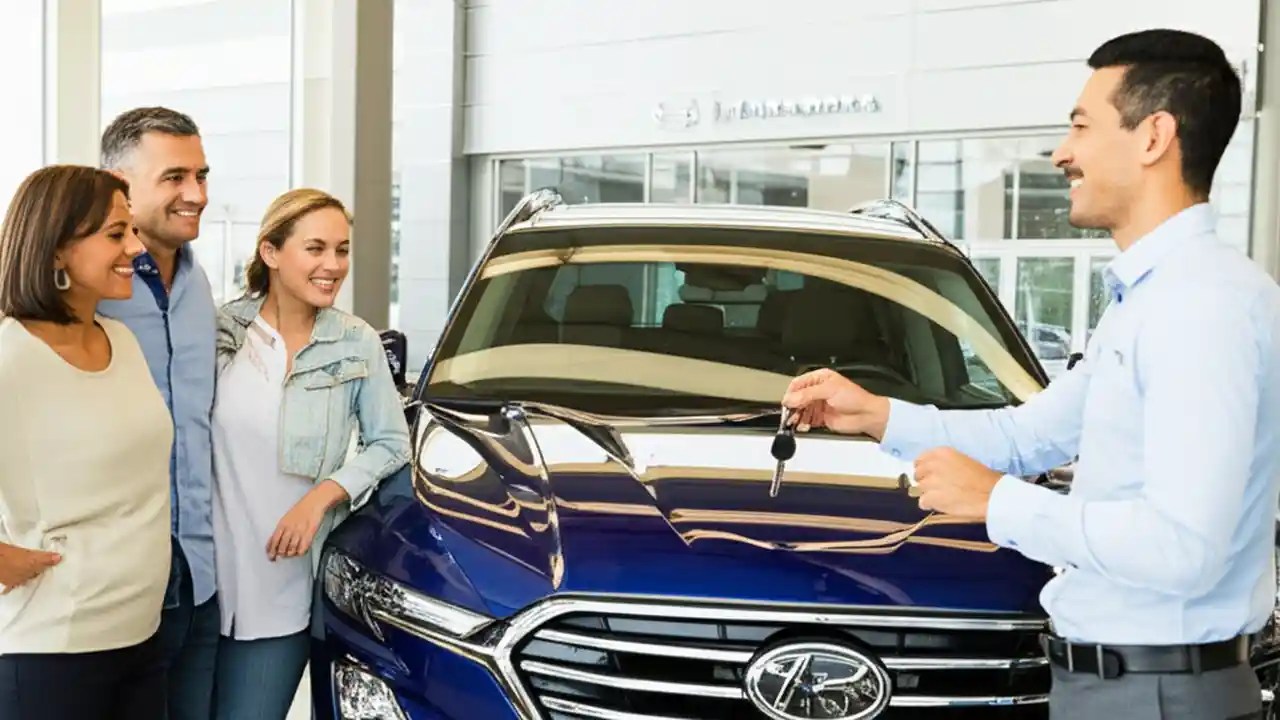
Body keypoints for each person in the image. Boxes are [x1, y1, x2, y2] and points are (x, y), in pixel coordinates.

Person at [782, 29, 1280, 719]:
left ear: (1153, 136)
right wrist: (878, 415)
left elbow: (1183, 548)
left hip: (1159, 695)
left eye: (1081, 125)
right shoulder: (1152, 301)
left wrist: (998, 502)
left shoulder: (1202, 308)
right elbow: (1031, 436)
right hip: (1117, 687)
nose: (1062, 152)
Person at [211, 188, 410, 719]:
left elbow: (391, 443)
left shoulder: (356, 342)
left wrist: (319, 497)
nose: (333, 265)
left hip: (283, 586)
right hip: (201, 585)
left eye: (342, 250)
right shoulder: (219, 332)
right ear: (271, 253)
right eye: (316, 248)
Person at [0, 165, 172, 719]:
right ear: (55, 252)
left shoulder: (121, 339)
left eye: (134, 232)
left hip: (143, 633)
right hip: (54, 648)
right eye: (116, 234)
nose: (136, 248)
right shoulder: (10, 358)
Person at [97, 106, 220, 720]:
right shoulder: (84, 289)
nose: (195, 194)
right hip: (113, 582)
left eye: (201, 176)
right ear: (120, 185)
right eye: (175, 177)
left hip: (200, 574)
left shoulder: (201, 289)